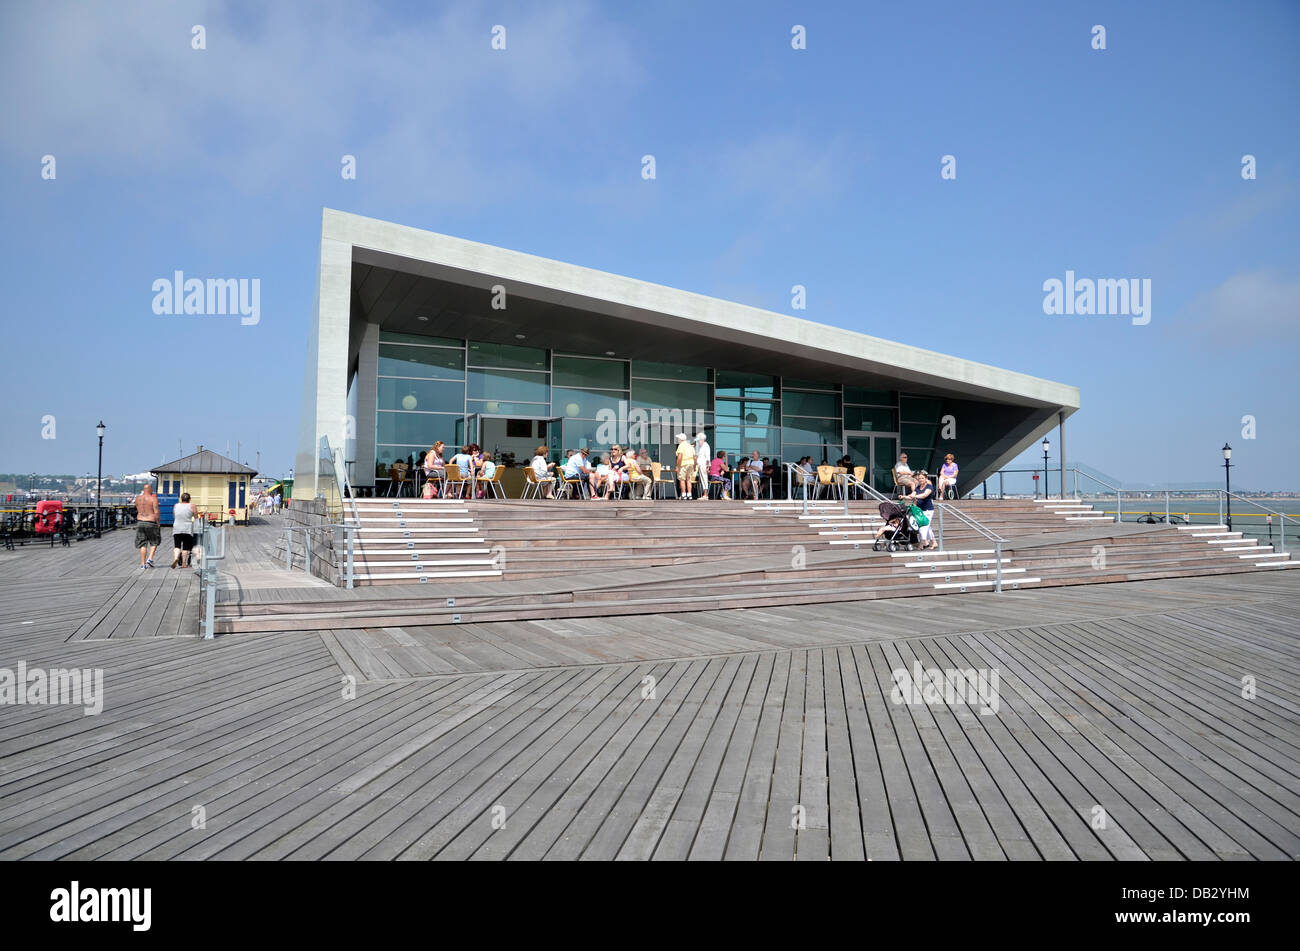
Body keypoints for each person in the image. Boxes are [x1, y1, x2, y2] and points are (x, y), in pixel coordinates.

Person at [903, 471, 938, 549]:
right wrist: (904, 497)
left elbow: (924, 495)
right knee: (927, 527)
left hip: (928, 510)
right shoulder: (918, 487)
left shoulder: (929, 487)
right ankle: (934, 542)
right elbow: (912, 495)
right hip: (920, 511)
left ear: (926, 479)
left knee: (923, 527)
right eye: (919, 478)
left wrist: (915, 496)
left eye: (922, 478)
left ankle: (922, 543)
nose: (921, 480)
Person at [134, 483, 161, 569]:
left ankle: (143, 564)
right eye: (152, 489)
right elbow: (156, 512)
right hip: (151, 522)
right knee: (154, 541)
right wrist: (158, 522)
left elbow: (138, 509)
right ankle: (150, 558)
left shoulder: (138, 498)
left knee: (142, 544)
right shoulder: (153, 498)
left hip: (140, 522)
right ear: (149, 489)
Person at [170, 492, 201, 568]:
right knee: (186, 547)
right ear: (189, 499)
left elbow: (174, 515)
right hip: (187, 528)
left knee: (177, 546)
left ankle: (176, 558)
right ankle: (184, 563)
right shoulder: (192, 506)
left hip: (177, 527)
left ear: (181, 499)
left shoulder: (176, 505)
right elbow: (196, 517)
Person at [674, 433, 697, 500]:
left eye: (678, 438)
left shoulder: (681, 445)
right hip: (691, 464)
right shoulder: (690, 446)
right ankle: (689, 494)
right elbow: (695, 457)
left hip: (683, 464)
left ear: (680, 439)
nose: (677, 439)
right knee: (689, 479)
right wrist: (695, 466)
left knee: (682, 479)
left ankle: (683, 494)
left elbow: (679, 457)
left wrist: (677, 466)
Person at [693, 432, 712, 501]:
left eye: (699, 440)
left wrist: (707, 466)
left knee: (704, 479)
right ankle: (704, 494)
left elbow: (707, 457)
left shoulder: (706, 446)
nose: (698, 441)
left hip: (704, 464)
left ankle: (705, 495)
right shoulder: (701, 446)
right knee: (702, 479)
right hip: (700, 465)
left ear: (702, 439)